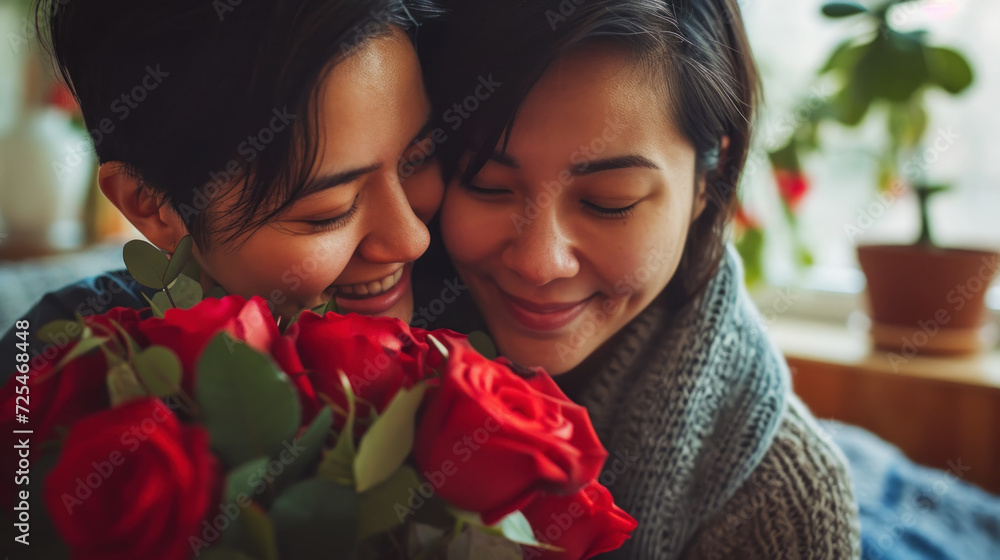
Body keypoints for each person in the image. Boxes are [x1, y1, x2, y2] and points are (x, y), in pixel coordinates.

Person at [416, 0, 862, 557]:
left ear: (709, 179)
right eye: (488, 185)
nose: (539, 262)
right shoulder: (356, 368)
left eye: (610, 202)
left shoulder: (783, 504)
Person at [0, 0, 444, 384]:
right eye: (329, 211)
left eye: (418, 159)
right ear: (152, 207)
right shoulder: (54, 362)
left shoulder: (474, 292)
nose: (412, 240)